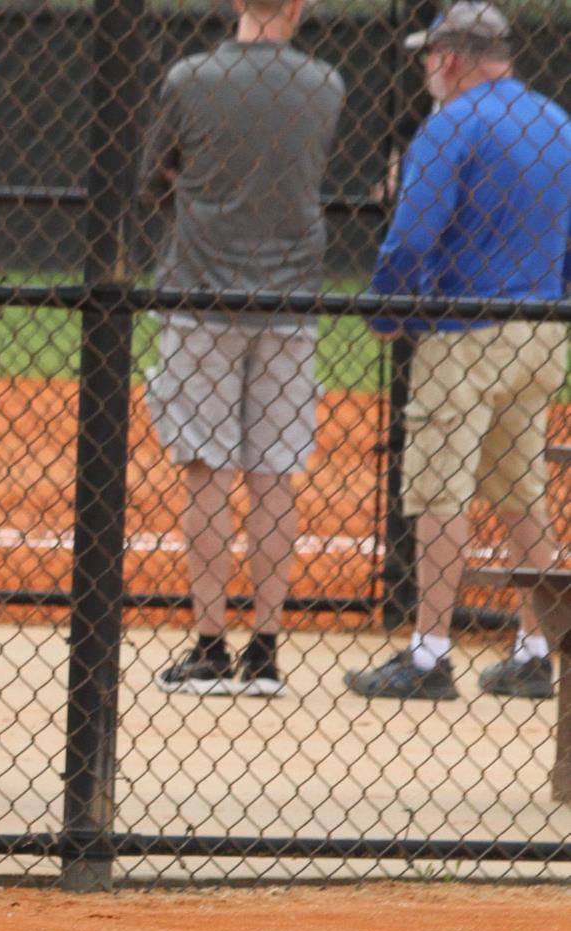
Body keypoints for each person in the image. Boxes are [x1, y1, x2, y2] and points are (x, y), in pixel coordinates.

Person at [350, 1, 571, 702]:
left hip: (463, 333)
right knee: (520, 490)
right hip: (541, 326)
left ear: (449, 58)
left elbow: (413, 236)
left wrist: (389, 308)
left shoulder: (451, 125)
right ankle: (537, 651)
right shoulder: (556, 123)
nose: (425, 69)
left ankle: (427, 654)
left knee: (438, 488)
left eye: (428, 57)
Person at [138, 0, 344, 699]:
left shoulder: (190, 77)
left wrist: (204, 193)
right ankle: (265, 648)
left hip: (201, 291)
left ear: (236, 3)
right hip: (290, 296)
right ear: (299, 6)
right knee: (274, 473)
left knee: (206, 468)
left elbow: (152, 175)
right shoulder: (326, 84)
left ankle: (207, 644)